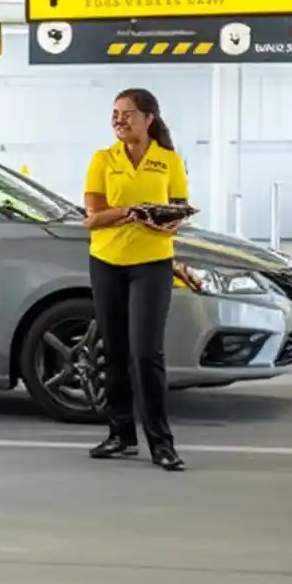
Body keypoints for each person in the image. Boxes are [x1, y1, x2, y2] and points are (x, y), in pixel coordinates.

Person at [82, 88, 190, 472]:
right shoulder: (102, 160)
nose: (119, 120)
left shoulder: (169, 161)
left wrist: (163, 219)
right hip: (107, 261)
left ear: (149, 118)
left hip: (152, 263)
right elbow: (92, 218)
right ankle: (120, 435)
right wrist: (132, 212)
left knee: (147, 354)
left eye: (128, 113)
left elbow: (178, 213)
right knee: (115, 352)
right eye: (115, 113)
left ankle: (162, 443)